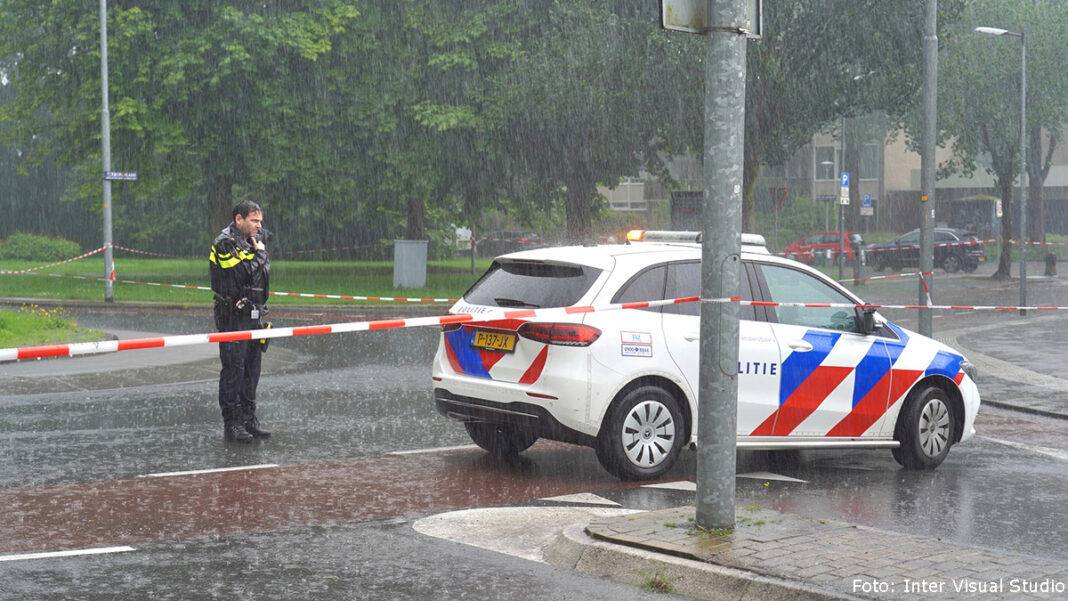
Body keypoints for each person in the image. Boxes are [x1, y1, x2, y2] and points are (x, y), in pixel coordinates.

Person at [209, 200, 272, 443]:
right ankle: (232, 423)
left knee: (252, 369)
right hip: (232, 316)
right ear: (238, 219)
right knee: (234, 369)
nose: (259, 225)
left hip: (254, 313)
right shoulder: (225, 242)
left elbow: (258, 265)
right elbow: (241, 272)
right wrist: (261, 254)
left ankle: (248, 419)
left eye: (260, 220)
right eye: (254, 220)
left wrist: (259, 246)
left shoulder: (251, 239)